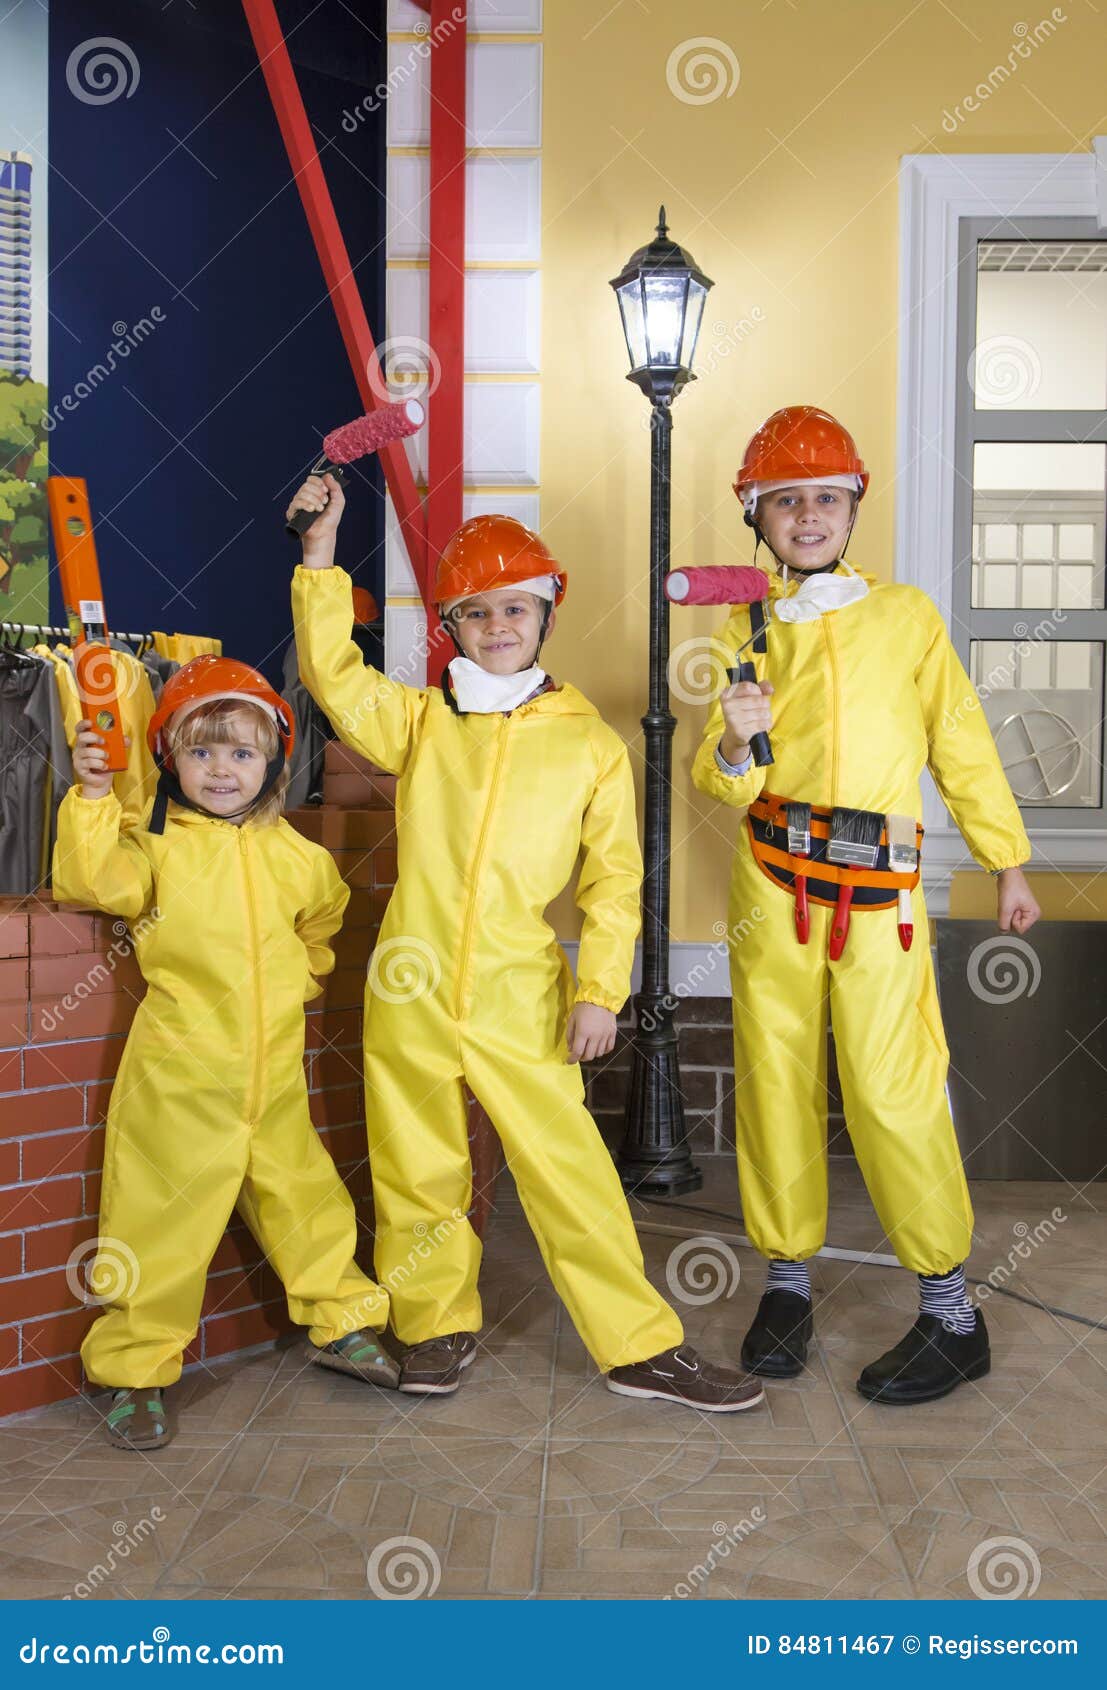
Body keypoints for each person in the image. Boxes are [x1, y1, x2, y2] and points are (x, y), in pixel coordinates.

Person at [288, 473, 764, 1412]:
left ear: (545, 616)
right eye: (475, 612)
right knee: (417, 1167)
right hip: (407, 983)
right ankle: (433, 1328)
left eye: (515, 607)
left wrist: (599, 991)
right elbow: (332, 675)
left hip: (519, 991)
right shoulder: (421, 723)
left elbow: (615, 879)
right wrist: (317, 557)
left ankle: (636, 1345)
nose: (496, 625)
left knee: (568, 1168)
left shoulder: (588, 744)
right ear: (452, 627)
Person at [691, 405, 1040, 1405]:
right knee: (776, 1082)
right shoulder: (742, 627)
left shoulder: (909, 618)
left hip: (880, 896)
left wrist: (1005, 858)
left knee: (894, 1089)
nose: (808, 515)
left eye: (826, 498)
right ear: (758, 516)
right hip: (773, 889)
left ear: (855, 507)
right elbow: (723, 787)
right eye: (787, 500)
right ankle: (788, 1285)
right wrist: (734, 739)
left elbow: (960, 740)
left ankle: (950, 1312)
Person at [52, 657, 396, 1450]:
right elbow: (96, 881)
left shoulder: (298, 858)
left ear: (273, 761)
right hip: (178, 1076)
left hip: (271, 1075)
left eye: (241, 752)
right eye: (202, 751)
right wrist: (97, 798)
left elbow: (324, 922)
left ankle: (341, 1319)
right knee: (158, 1220)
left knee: (305, 1201)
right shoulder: (156, 849)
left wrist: (301, 978)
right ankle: (132, 1370)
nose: (221, 770)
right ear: (171, 759)